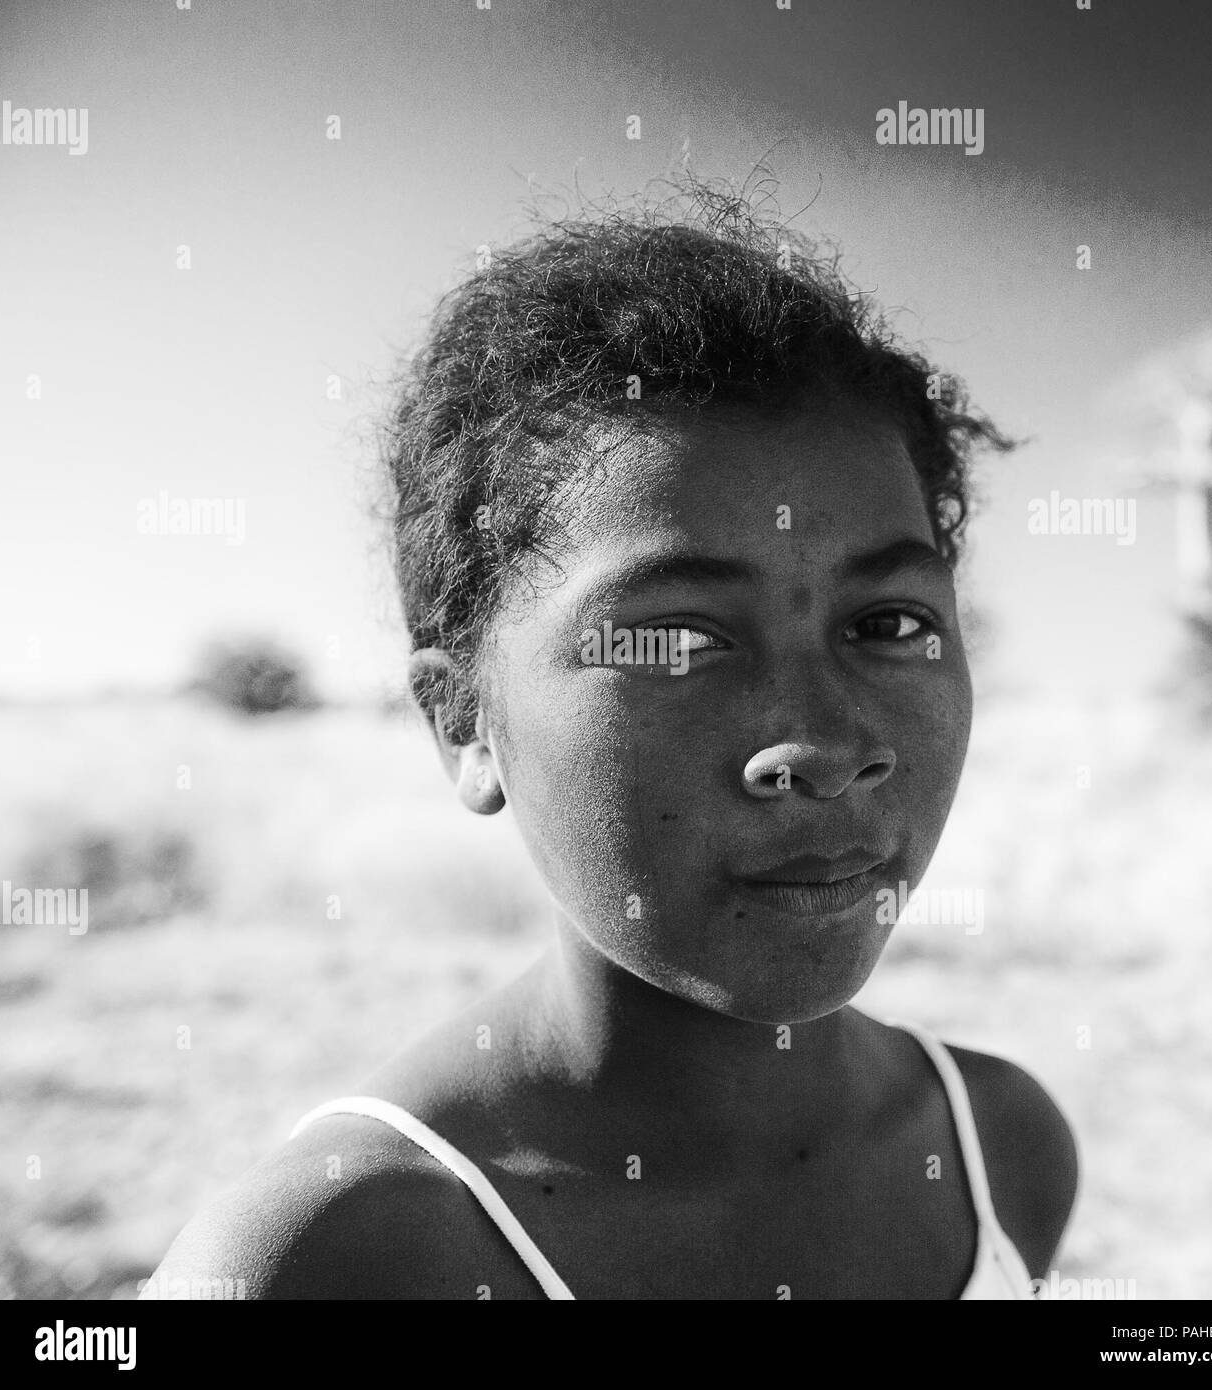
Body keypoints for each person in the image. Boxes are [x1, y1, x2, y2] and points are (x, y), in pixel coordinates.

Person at [150, 183, 1077, 1299]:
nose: (827, 745)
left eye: (888, 624)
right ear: (462, 723)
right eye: (675, 640)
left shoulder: (1000, 1147)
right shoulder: (340, 1258)